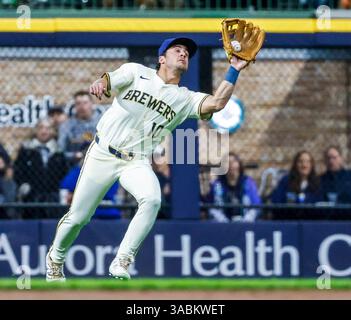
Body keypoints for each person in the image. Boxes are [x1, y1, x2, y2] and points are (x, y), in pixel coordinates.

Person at [46, 37, 250, 282]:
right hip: (103, 152)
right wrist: (100, 83)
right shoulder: (136, 72)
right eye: (177, 50)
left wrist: (234, 69)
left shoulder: (185, 98)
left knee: (152, 199)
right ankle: (55, 260)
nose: (183, 53)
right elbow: (109, 80)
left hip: (137, 161)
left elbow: (216, 103)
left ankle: (122, 260)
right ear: (161, 58)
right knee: (79, 217)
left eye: (187, 52)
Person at [14, 119, 69, 218]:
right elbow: (18, 172)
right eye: (41, 128)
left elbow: (64, 173)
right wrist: (24, 186)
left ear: (52, 131)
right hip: (32, 197)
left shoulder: (58, 152)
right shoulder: (26, 151)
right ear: (36, 131)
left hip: (53, 197)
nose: (44, 131)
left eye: (47, 128)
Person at [203, 152, 261, 222]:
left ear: (239, 164)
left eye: (233, 162)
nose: (231, 165)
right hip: (222, 223)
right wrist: (223, 221)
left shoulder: (248, 182)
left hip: (246, 222)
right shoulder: (217, 184)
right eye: (227, 162)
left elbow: (256, 204)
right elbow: (211, 207)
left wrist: (246, 220)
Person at [270, 150, 322, 219]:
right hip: (288, 220)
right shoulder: (286, 181)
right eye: (300, 162)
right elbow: (276, 201)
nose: (304, 165)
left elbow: (319, 205)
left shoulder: (317, 183)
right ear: (295, 164)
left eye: (308, 162)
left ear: (311, 165)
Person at [58, 90, 101, 164]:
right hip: (74, 164)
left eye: (85, 103)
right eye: (78, 103)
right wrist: (74, 155)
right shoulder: (67, 125)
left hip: (98, 161)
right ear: (74, 106)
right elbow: (60, 150)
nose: (82, 106)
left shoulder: (101, 122)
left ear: (92, 104)